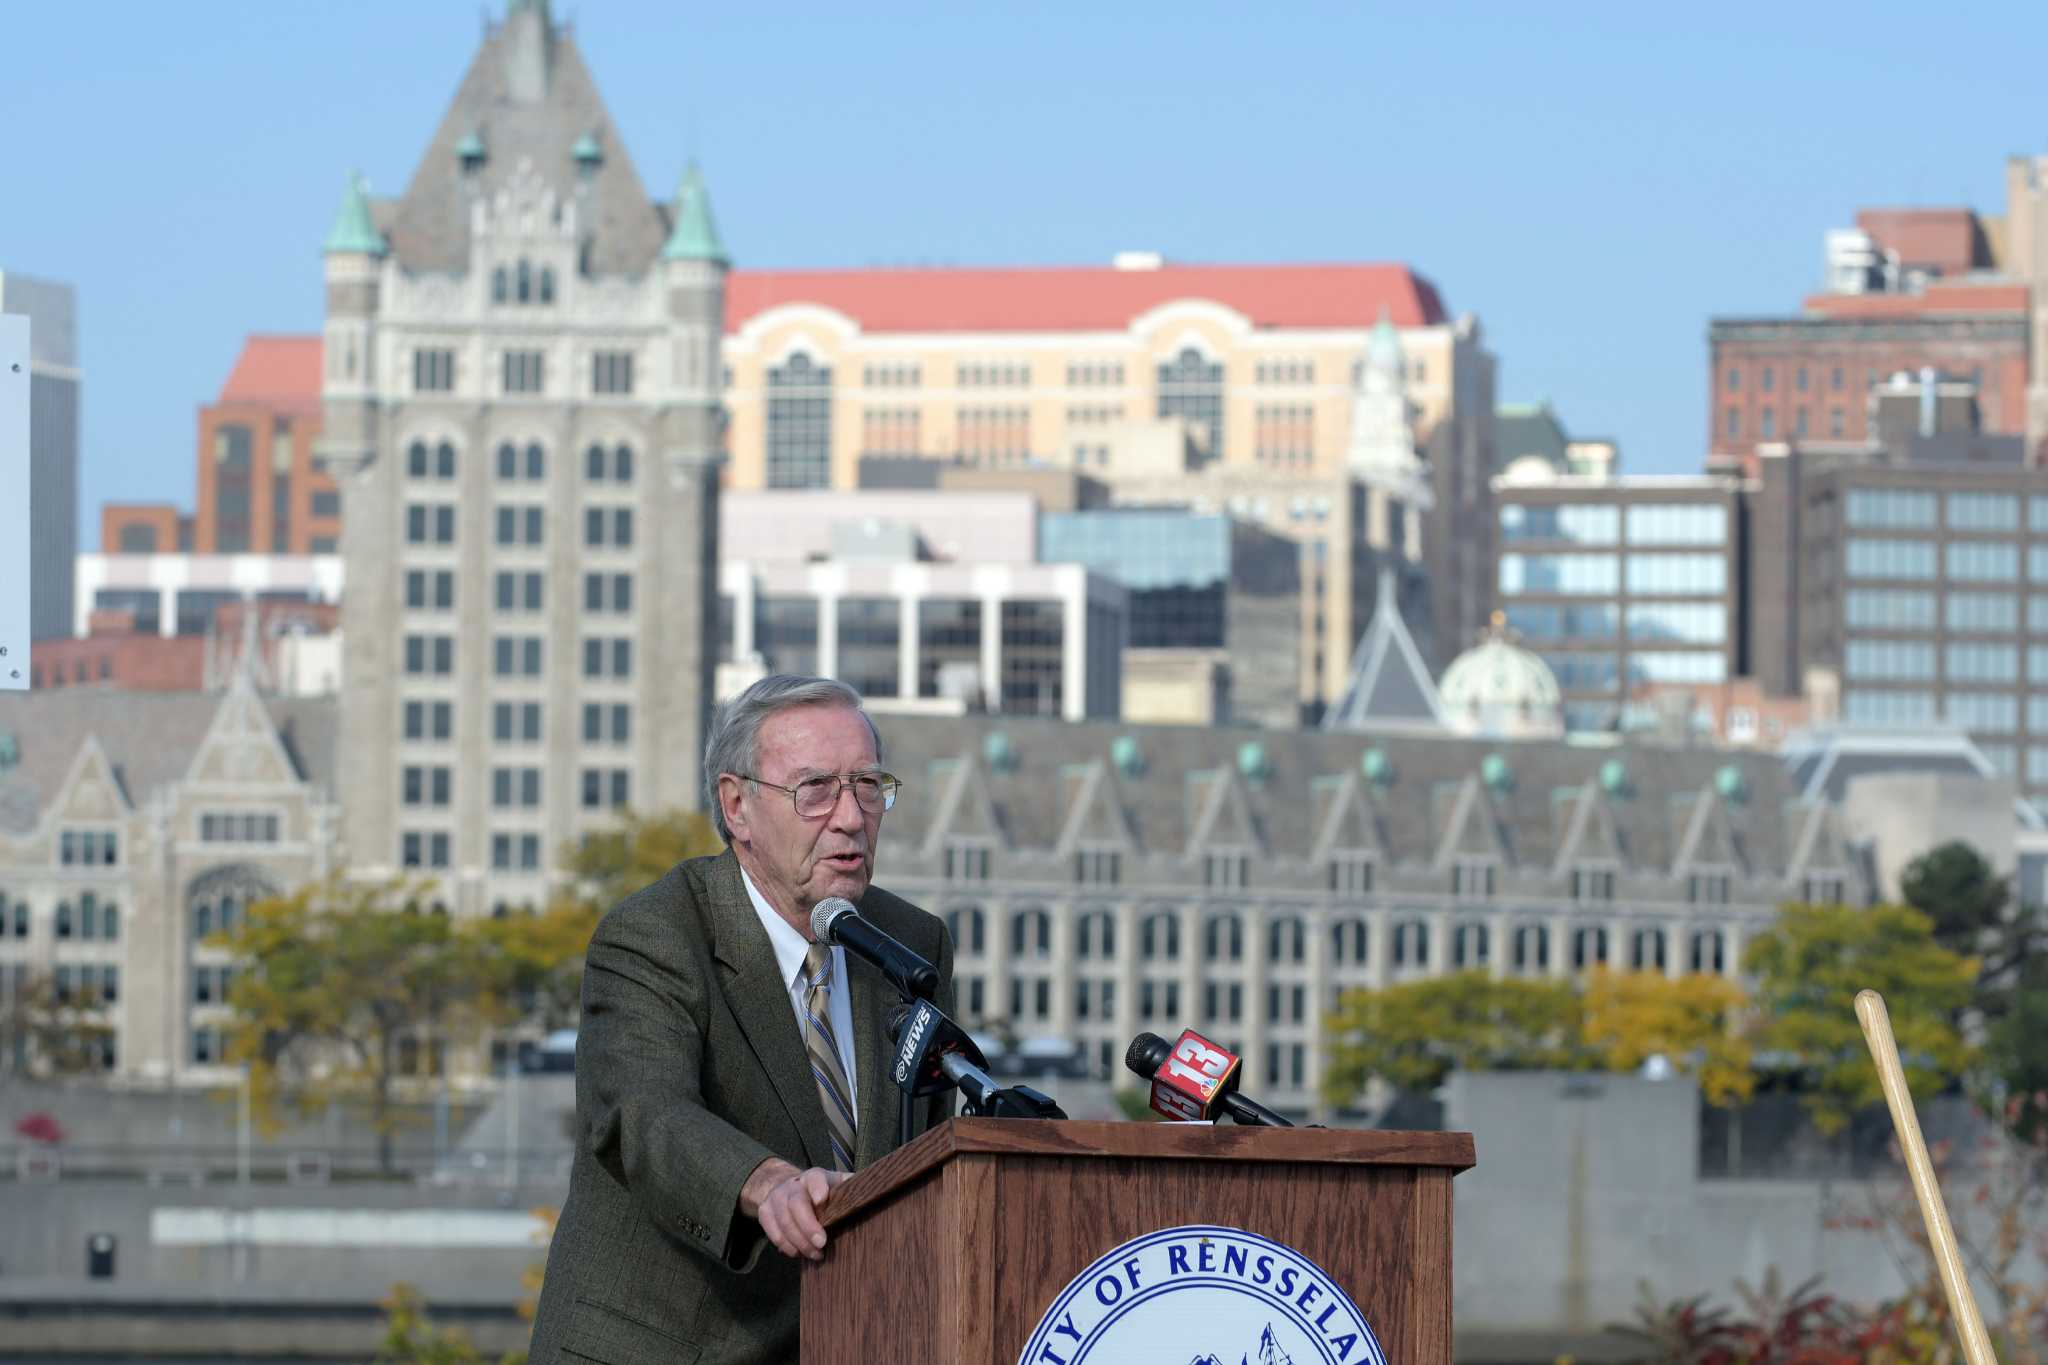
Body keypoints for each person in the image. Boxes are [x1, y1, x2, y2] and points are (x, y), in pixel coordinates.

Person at [527, 675, 954, 1365]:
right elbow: (645, 1115)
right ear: (737, 806)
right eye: (816, 789)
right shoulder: (656, 934)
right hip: (664, 1349)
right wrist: (769, 1184)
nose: (851, 816)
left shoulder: (911, 944)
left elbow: (928, 1157)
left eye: (868, 785)